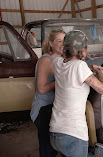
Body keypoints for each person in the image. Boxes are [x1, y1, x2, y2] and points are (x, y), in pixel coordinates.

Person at [49, 30, 103, 157]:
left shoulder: (57, 63)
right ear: (84, 48)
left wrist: (90, 67)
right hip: (73, 134)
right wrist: (99, 74)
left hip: (55, 132)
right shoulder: (80, 66)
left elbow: (71, 66)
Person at [30, 29, 66, 157]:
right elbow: (42, 89)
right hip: (44, 108)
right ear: (50, 43)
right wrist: (63, 80)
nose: (63, 44)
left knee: (58, 145)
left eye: (65, 41)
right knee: (48, 149)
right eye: (59, 41)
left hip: (56, 107)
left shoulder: (63, 60)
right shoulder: (46, 60)